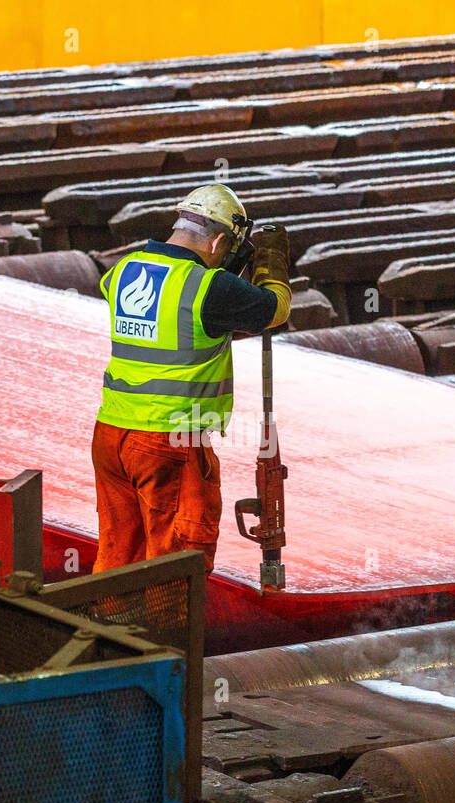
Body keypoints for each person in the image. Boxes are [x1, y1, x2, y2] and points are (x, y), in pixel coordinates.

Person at [91, 183, 290, 573]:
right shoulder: (210, 288)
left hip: (112, 435)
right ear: (218, 241)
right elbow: (275, 309)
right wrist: (272, 263)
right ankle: (163, 634)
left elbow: (177, 317)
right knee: (176, 561)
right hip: (171, 441)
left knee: (120, 555)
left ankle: (109, 627)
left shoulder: (123, 271)